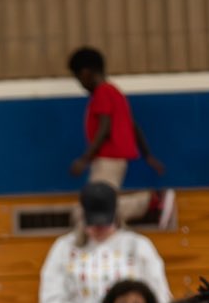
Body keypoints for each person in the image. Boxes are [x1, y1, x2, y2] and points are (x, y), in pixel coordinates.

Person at [38, 182, 170, 303]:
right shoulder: (64, 247)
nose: (99, 229)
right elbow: (50, 302)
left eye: (104, 222)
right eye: (93, 223)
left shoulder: (138, 245)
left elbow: (160, 298)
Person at [66, 46, 165, 217]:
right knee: (100, 209)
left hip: (107, 159)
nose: (80, 84)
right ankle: (148, 204)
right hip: (115, 160)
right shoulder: (116, 93)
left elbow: (105, 126)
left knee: (92, 208)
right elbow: (133, 126)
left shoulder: (102, 93)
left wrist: (85, 158)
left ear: (87, 72)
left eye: (78, 78)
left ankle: (150, 201)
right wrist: (147, 155)